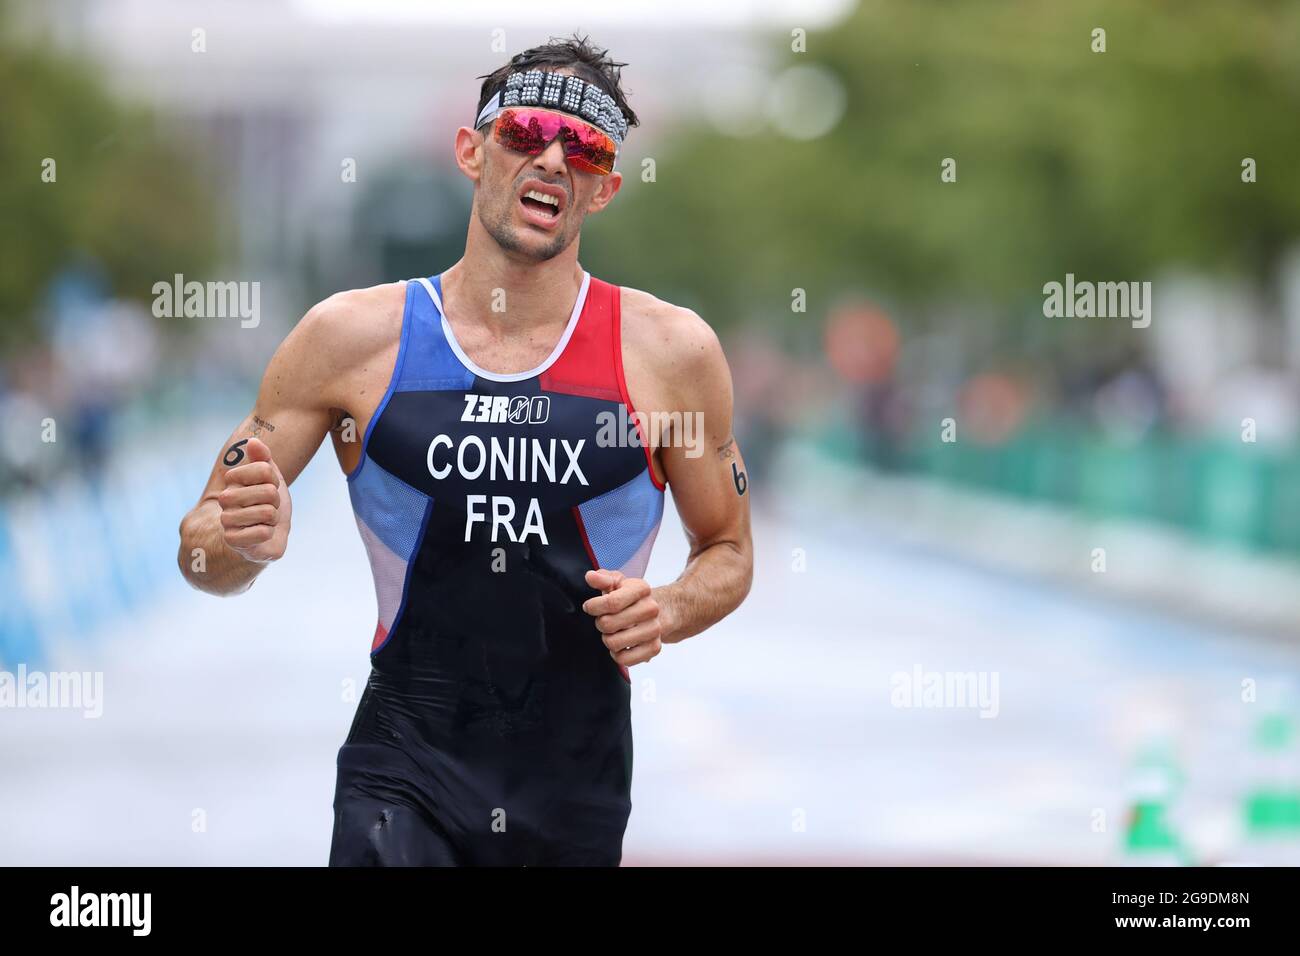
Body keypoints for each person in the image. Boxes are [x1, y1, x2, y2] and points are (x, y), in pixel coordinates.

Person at [177, 35, 752, 866]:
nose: (552, 159)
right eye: (524, 132)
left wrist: (668, 608)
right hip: (398, 769)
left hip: (574, 785)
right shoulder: (349, 339)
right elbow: (201, 549)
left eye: (584, 146)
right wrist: (234, 546)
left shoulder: (671, 354)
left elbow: (730, 550)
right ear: (472, 150)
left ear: (605, 188)